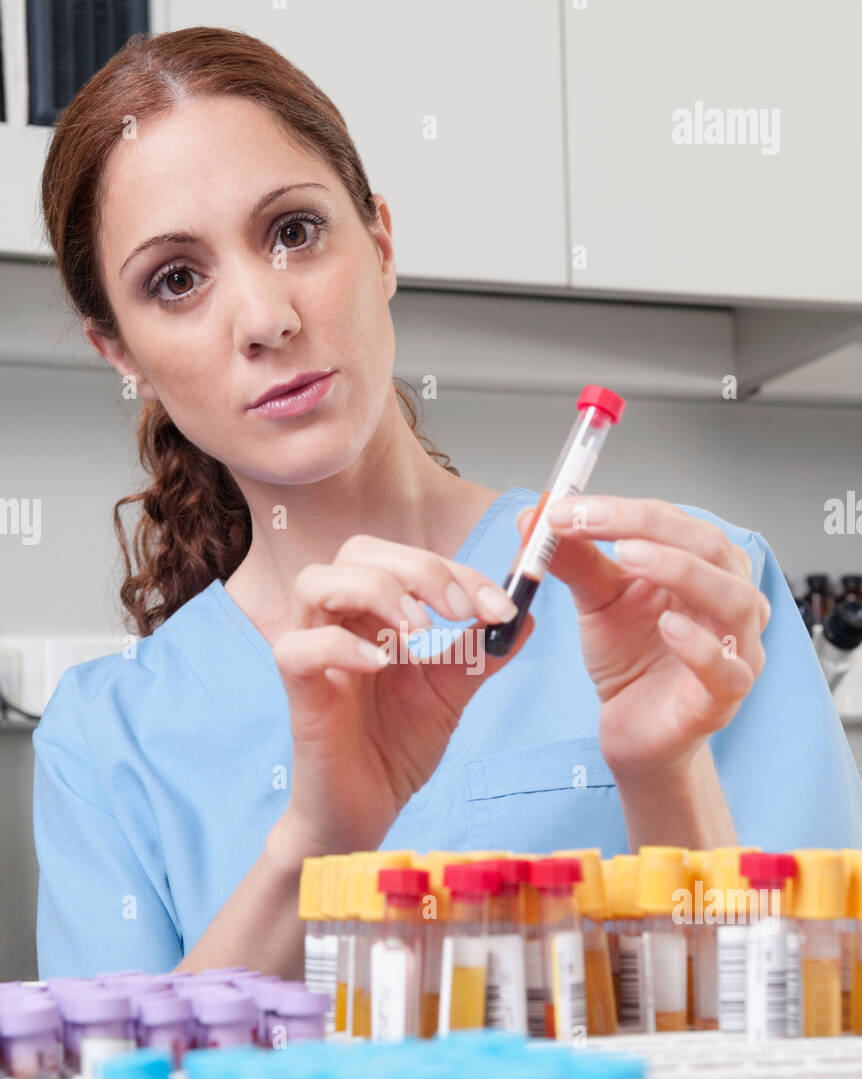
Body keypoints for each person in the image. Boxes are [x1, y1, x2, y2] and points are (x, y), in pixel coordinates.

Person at [33, 28, 862, 980]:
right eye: (176, 281)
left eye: (294, 232)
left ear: (381, 243)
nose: (267, 318)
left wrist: (661, 774)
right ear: (122, 355)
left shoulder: (689, 596)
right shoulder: (107, 744)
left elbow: (822, 1069)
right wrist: (314, 845)